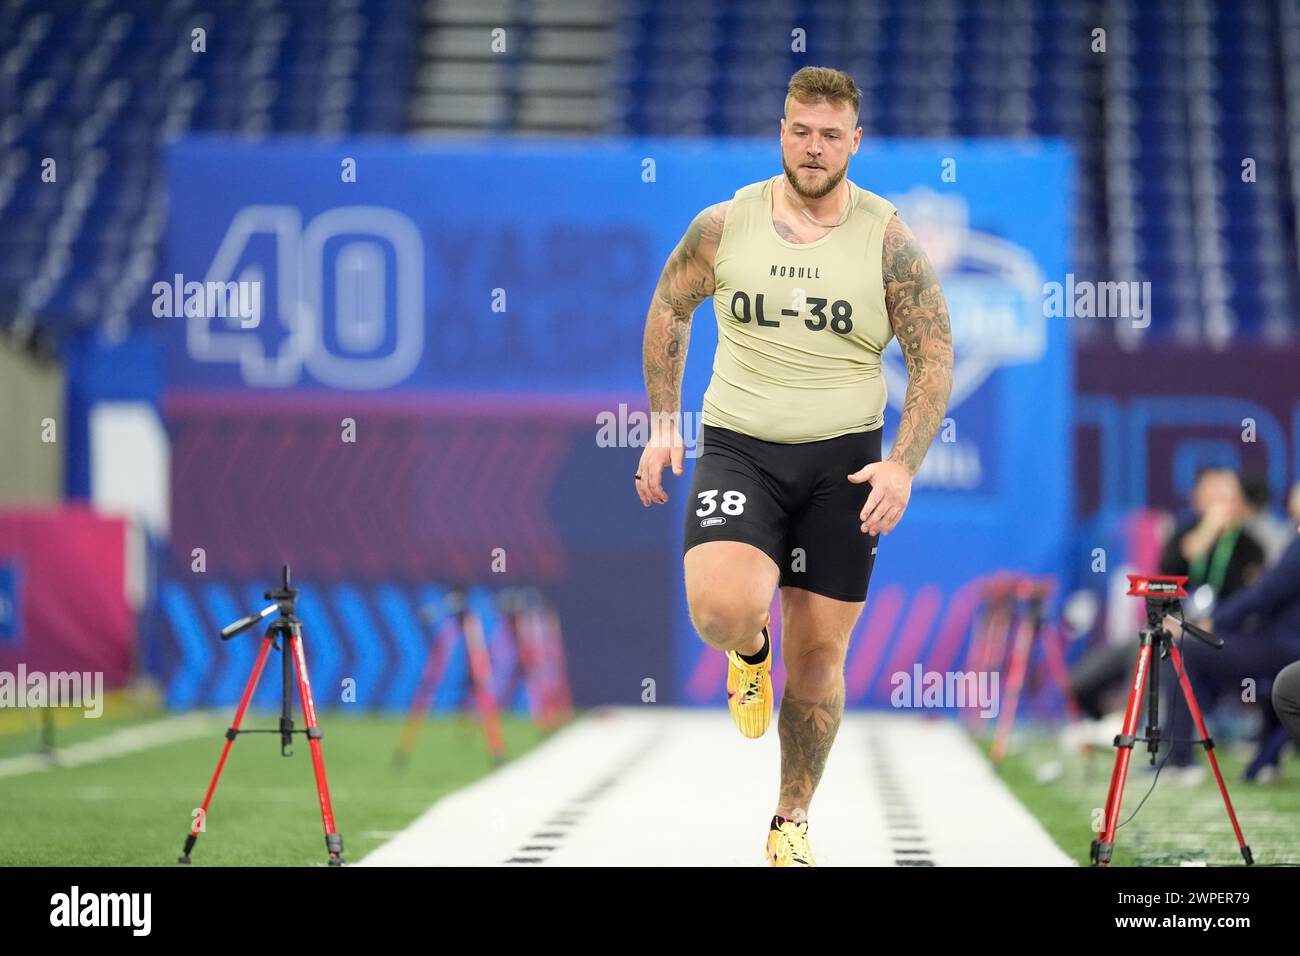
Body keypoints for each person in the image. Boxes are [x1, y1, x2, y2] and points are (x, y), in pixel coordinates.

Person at [635, 66, 953, 866]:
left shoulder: (888, 241)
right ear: (782, 132)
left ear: (856, 141)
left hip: (842, 464)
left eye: (831, 135)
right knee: (720, 609)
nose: (814, 148)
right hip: (742, 447)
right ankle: (748, 651)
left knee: (818, 658)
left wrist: (903, 466)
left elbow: (935, 357)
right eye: (800, 131)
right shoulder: (723, 225)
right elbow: (672, 305)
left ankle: (790, 820)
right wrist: (662, 423)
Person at [1069, 467, 1265, 727]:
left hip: (1216, 635)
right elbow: (1167, 574)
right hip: (1171, 624)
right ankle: (1109, 719)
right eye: (1213, 492)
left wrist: (1209, 622)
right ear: (1197, 497)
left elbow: (1246, 601)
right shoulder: (1183, 532)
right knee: (1084, 679)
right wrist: (1206, 534)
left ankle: (1129, 722)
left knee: (1157, 646)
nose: (1221, 502)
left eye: (1226, 494)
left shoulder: (1250, 546)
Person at [1164, 481, 1300, 781]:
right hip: (1275, 638)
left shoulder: (1260, 542)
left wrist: (1216, 622)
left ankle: (1179, 758)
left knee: (1184, 648)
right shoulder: (1187, 528)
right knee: (1186, 646)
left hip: (1284, 645)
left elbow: (1265, 593)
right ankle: (1261, 757)